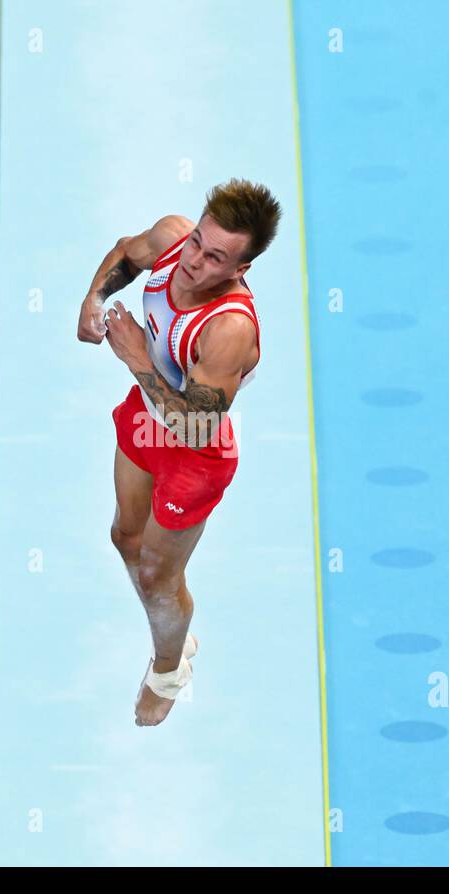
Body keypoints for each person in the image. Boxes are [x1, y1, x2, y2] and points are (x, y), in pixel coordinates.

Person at [76, 178, 282, 726]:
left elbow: (195, 429)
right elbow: (126, 250)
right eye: (197, 242)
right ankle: (175, 634)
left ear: (241, 271)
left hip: (196, 452)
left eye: (216, 258)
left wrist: (138, 360)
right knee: (125, 538)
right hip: (149, 414)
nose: (194, 261)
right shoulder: (173, 239)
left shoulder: (229, 329)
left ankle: (168, 670)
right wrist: (94, 299)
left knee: (155, 577)